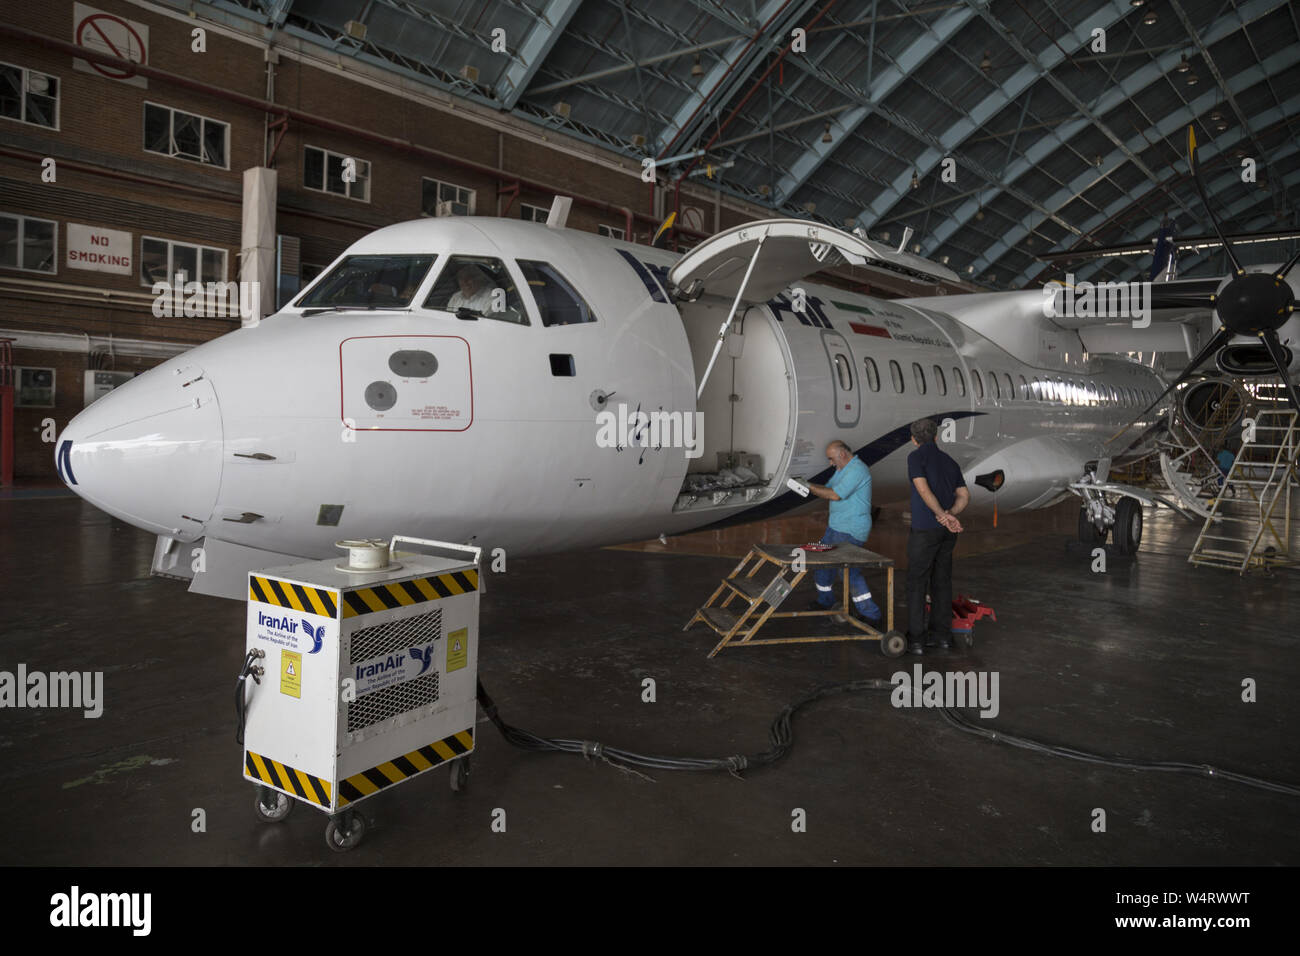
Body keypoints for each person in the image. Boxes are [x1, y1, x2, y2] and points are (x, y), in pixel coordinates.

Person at [905, 417, 969, 655]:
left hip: (924, 529)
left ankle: (916, 640)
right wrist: (950, 515)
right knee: (942, 581)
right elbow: (964, 495)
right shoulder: (949, 461)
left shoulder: (915, 457)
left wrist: (940, 514)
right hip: (947, 532)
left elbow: (922, 488)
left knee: (916, 582)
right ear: (936, 436)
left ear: (913, 439)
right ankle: (942, 637)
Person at [804, 440, 882, 623]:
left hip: (851, 530)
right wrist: (806, 485)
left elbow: (834, 494)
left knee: (848, 571)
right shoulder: (842, 470)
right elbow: (828, 488)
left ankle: (871, 614)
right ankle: (825, 601)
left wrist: (808, 486)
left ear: (842, 455)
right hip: (836, 527)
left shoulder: (857, 470)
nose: (830, 463)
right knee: (823, 564)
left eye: (831, 459)